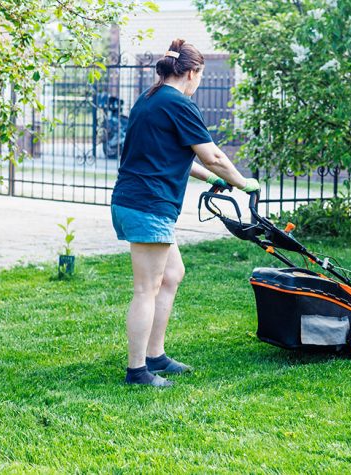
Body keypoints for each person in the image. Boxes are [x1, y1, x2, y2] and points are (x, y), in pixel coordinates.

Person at [111, 39, 259, 387]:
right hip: (147, 204)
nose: (199, 83)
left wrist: (211, 179)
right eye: (200, 76)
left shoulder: (150, 100)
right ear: (191, 72)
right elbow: (214, 156)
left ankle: (156, 355)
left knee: (173, 273)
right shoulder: (177, 103)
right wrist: (241, 182)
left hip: (136, 201)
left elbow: (177, 155)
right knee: (146, 289)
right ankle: (137, 371)